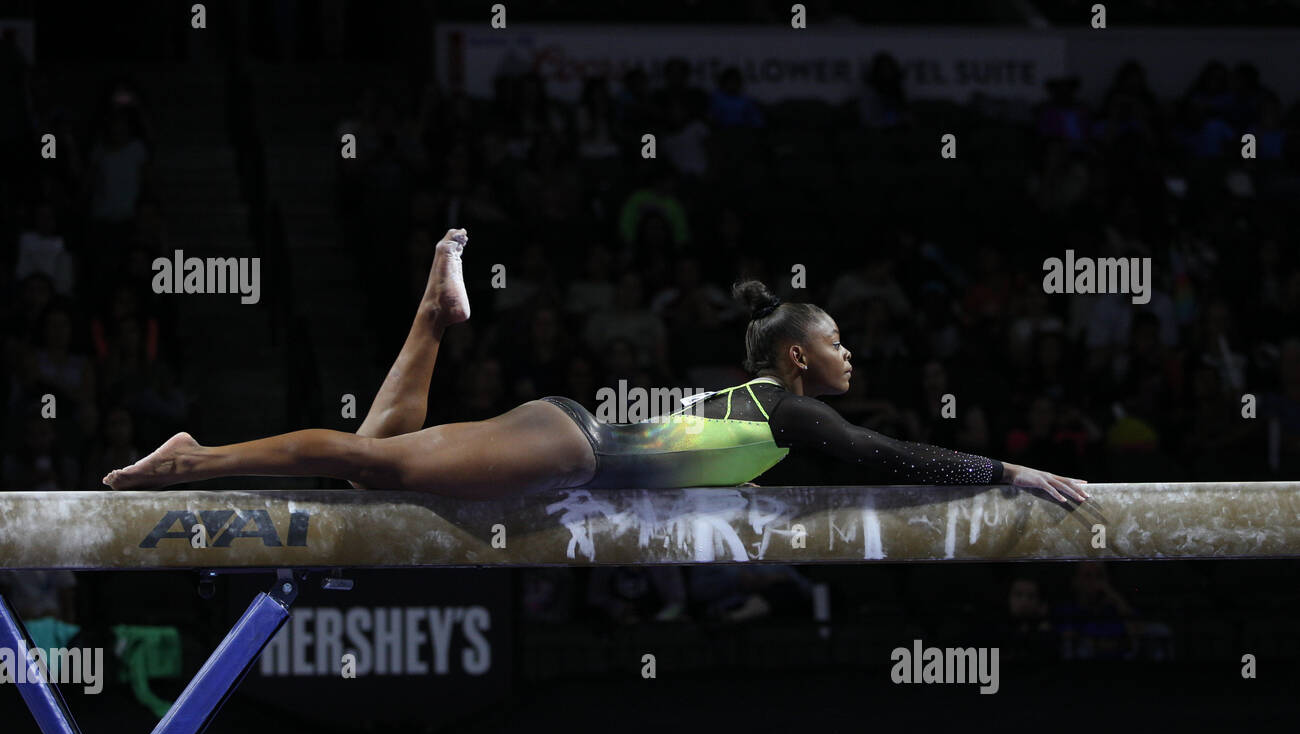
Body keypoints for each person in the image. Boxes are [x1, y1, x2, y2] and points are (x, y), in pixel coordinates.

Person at [102, 229, 1089, 505]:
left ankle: (435, 310)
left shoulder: (758, 401)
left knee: (377, 453)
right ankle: (195, 458)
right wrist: (1002, 470)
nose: (848, 351)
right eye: (835, 339)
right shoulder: (790, 415)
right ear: (795, 355)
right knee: (379, 469)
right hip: (568, 446)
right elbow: (876, 453)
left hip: (569, 442)